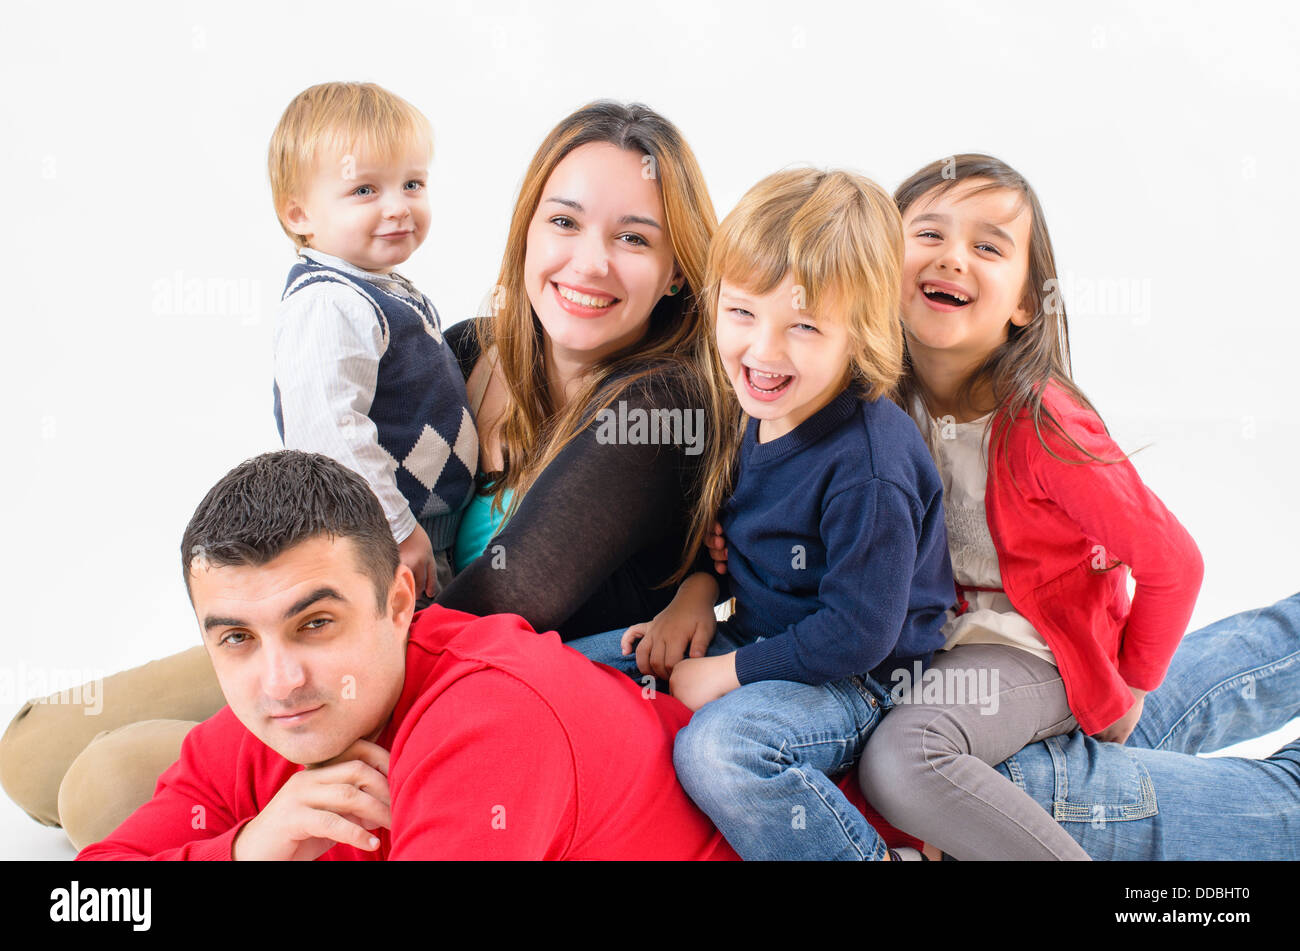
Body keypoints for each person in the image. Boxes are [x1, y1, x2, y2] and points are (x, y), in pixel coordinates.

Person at [0, 100, 727, 849]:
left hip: (446, 691)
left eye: (633, 238)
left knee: (105, 785)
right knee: (32, 753)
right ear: (527, 229)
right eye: (565, 223)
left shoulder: (658, 404)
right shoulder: (467, 350)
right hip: (348, 628)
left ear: (676, 271)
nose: (589, 262)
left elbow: (503, 601)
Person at [77, 452, 736, 861]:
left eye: (315, 623)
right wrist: (250, 848)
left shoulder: (489, 722)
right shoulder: (270, 727)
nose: (279, 681)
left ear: (397, 603)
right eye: (237, 638)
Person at [568, 168, 954, 861]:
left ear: (858, 332)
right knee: (568, 667)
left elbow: (860, 631)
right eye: (742, 312)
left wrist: (729, 672)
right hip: (755, 638)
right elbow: (733, 544)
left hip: (857, 682)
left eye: (803, 326)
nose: (764, 349)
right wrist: (695, 597)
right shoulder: (760, 409)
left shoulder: (870, 465)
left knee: (719, 751)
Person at [268, 81, 476, 602]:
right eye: (365, 190)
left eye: (412, 184)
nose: (399, 207)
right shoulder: (328, 303)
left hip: (428, 536)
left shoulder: (375, 286)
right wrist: (397, 529)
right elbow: (329, 432)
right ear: (299, 215)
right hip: (380, 546)